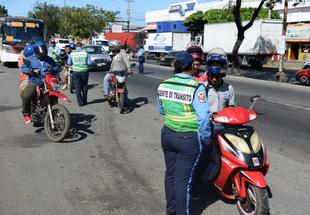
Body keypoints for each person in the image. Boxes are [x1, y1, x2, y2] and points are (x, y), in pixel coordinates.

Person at [157, 51, 211, 215]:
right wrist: (206, 138)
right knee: (183, 181)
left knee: (171, 175)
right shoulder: (196, 87)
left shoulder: (163, 84)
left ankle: (171, 211)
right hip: (188, 138)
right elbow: (203, 119)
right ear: (191, 66)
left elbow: (161, 110)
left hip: (167, 135)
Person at [19, 41, 59, 123]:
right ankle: (26, 113)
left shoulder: (50, 59)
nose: (42, 55)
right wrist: (31, 71)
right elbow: (23, 68)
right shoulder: (30, 59)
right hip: (35, 80)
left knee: (54, 95)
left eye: (44, 53)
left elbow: (56, 68)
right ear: (36, 52)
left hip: (48, 80)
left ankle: (54, 110)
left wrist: (53, 69)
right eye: (41, 53)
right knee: (26, 96)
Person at [205, 47, 236, 115]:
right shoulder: (202, 88)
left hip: (223, 123)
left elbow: (231, 108)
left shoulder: (229, 89)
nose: (214, 79)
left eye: (217, 76)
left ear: (222, 75)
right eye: (212, 76)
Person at [67, 41, 91, 106]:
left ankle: (80, 103)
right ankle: (85, 100)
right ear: (81, 46)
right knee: (84, 86)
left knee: (77, 88)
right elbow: (89, 63)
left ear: (76, 46)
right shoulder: (85, 52)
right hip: (84, 71)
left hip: (75, 72)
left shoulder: (72, 53)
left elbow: (69, 63)